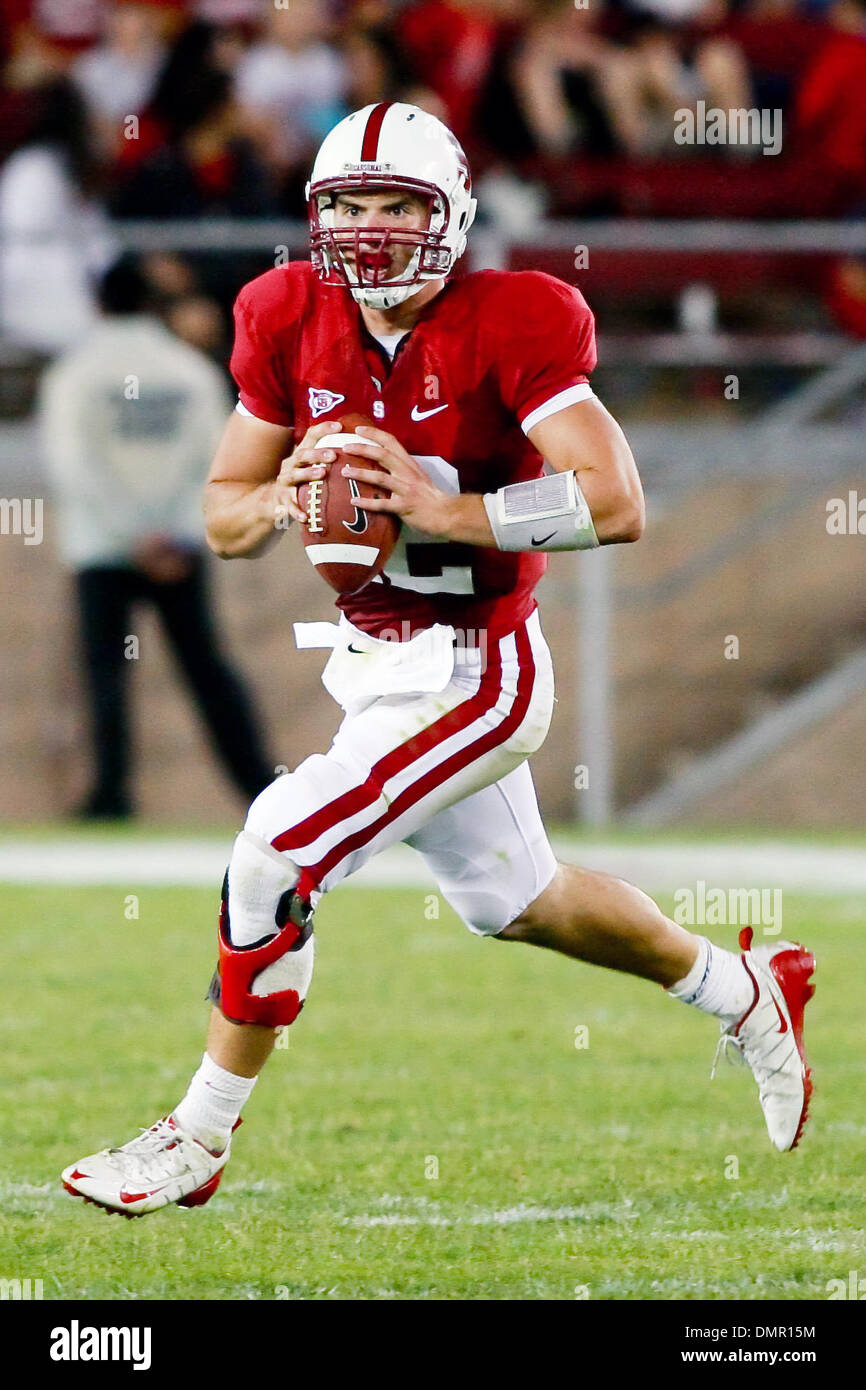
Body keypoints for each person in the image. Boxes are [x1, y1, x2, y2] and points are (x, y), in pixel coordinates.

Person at [61, 103, 815, 1215]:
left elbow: (616, 503)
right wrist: (287, 494)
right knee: (521, 900)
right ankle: (739, 987)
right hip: (369, 658)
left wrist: (440, 507)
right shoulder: (281, 311)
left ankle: (198, 1136)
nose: (369, 232)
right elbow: (222, 512)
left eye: (396, 207)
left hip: (477, 664)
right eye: (348, 208)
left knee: (274, 849)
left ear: (451, 214)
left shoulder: (516, 316)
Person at [40, 255, 275, 820]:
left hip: (103, 548)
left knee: (105, 674)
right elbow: (217, 464)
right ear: (153, 303)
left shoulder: (73, 374)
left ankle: (110, 797)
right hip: (181, 549)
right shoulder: (187, 372)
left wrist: (129, 534)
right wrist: (173, 532)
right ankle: (265, 795)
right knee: (207, 670)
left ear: (98, 302)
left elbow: (73, 467)